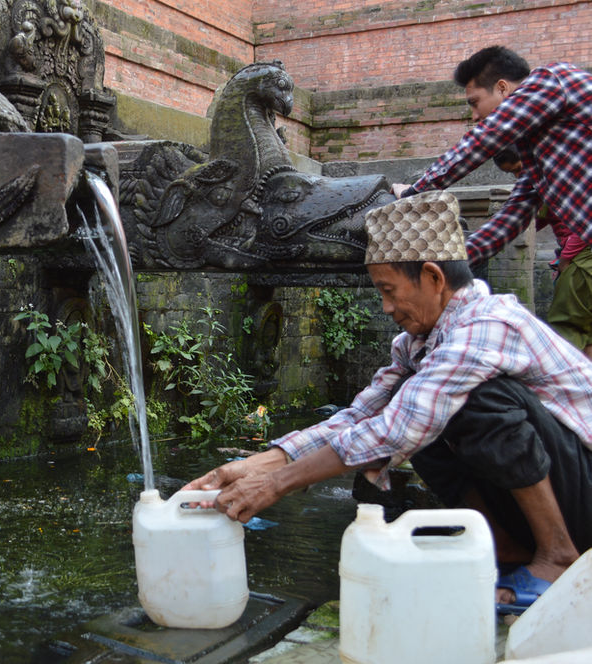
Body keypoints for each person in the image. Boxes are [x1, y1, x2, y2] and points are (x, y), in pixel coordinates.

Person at [185, 190, 592, 615]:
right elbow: (363, 416)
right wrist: (256, 464)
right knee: (421, 411)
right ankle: (505, 552)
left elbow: (397, 429)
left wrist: (275, 485)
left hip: (584, 484)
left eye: (389, 290)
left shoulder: (487, 326)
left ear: (434, 278)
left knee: (478, 400)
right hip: (565, 489)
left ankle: (557, 557)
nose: (386, 307)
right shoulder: (417, 343)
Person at [399, 46, 592, 268]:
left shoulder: (550, 80)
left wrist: (413, 192)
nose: (475, 116)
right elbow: (512, 217)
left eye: (475, 102)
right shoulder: (535, 147)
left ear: (502, 88)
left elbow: (484, 139)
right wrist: (450, 266)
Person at [492, 145, 592, 359]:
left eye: (519, 170)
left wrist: (566, 260)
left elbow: (585, 225)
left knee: (569, 327)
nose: (519, 178)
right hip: (579, 255)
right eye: (514, 174)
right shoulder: (548, 183)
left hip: (582, 258)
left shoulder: (563, 179)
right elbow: (543, 217)